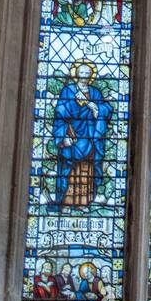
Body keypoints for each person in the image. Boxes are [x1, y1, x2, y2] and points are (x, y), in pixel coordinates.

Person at [51, 62, 112, 208]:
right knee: (69, 168)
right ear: (76, 74)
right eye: (81, 73)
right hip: (72, 134)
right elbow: (60, 112)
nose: (84, 76)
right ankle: (65, 202)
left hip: (90, 135)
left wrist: (94, 106)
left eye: (87, 73)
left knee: (87, 170)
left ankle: (84, 203)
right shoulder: (68, 91)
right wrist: (63, 135)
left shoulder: (95, 92)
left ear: (91, 76)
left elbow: (106, 109)